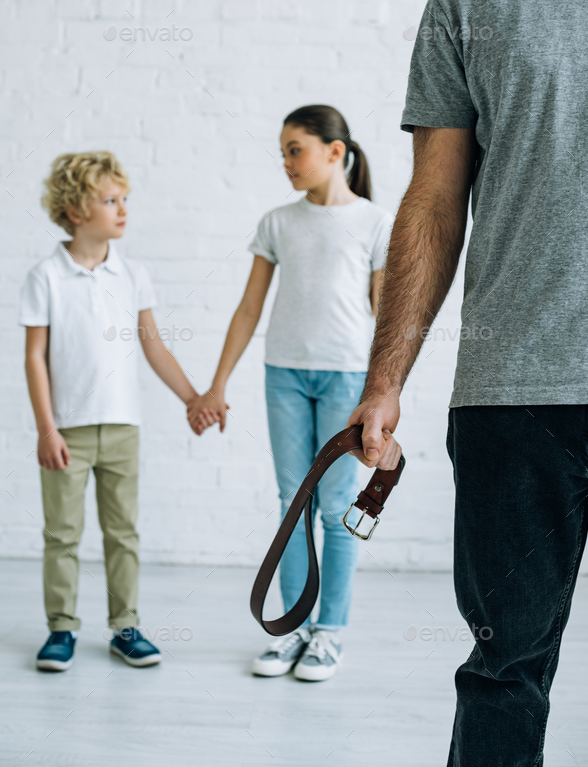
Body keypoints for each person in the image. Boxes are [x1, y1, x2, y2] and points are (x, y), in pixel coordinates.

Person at [345, 0, 588, 763]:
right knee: (505, 670)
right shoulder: (469, 4)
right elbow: (434, 204)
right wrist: (385, 381)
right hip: (513, 397)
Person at [188, 105, 393, 681]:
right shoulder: (278, 222)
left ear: (335, 152)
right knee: (290, 504)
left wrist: (384, 391)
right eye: (281, 152)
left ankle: (329, 632)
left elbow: (385, 316)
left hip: (347, 379)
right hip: (283, 374)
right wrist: (217, 383)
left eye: (295, 149)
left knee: (334, 509)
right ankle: (293, 628)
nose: (286, 162)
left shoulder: (377, 223)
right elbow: (249, 307)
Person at [20, 151, 216, 672]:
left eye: (125, 199)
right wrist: (46, 429)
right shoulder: (46, 277)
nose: (123, 208)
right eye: (111, 200)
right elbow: (35, 358)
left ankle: (124, 627)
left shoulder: (132, 274)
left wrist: (193, 398)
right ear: (76, 210)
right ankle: (60, 629)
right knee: (61, 534)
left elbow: (154, 347)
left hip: (123, 428)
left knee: (122, 532)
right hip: (66, 432)